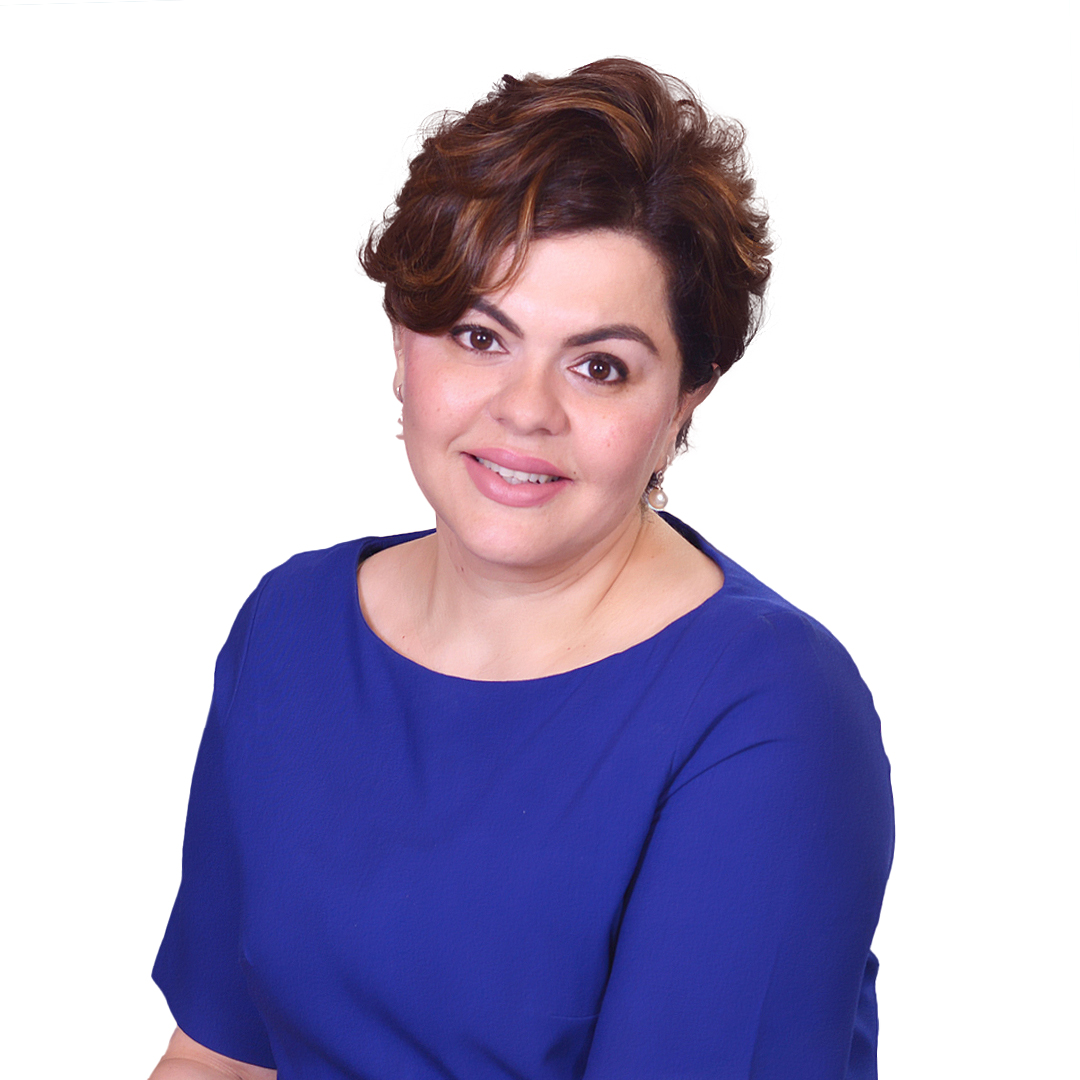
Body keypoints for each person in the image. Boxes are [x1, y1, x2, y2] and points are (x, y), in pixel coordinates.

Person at [149, 58, 894, 1080]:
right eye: (479, 336)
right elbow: (216, 1060)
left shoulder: (769, 710)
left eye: (600, 366)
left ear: (687, 399)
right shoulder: (290, 629)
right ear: (404, 342)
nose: (526, 410)